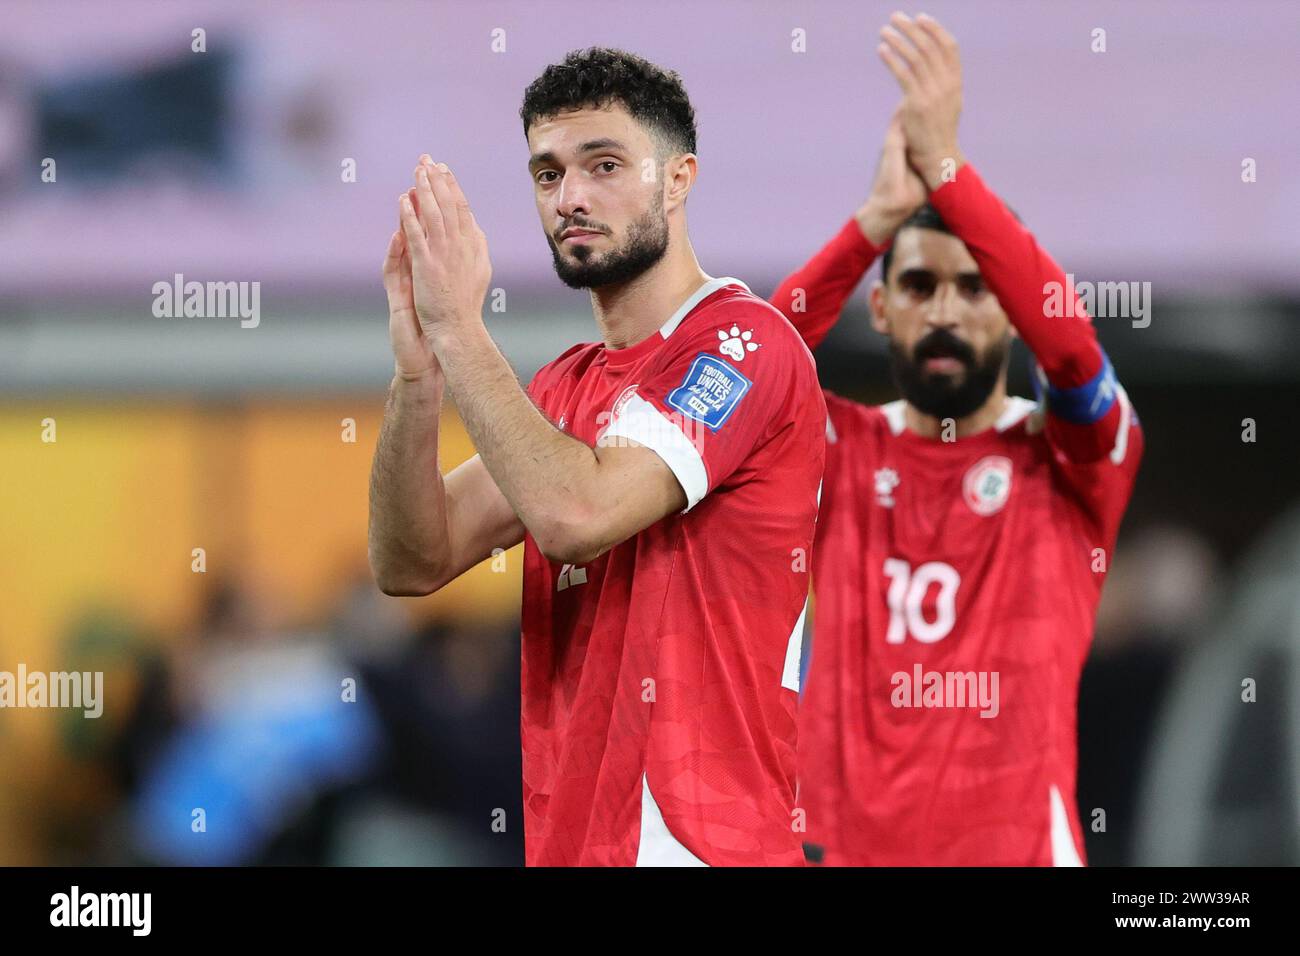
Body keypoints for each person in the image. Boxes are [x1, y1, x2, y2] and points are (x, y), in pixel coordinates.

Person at [368, 48, 826, 866]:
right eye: (547, 175)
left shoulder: (742, 344)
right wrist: (419, 372)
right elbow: (411, 557)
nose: (570, 197)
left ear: (678, 178)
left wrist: (464, 330)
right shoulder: (563, 389)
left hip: (700, 846)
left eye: (603, 164)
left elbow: (578, 515)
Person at [769, 13, 1143, 865]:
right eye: (919, 285)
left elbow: (1075, 350)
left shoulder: (1077, 459)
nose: (943, 312)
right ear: (880, 306)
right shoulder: (839, 447)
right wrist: (870, 223)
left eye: (975, 287)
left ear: (1010, 307)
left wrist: (947, 167)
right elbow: (754, 360)